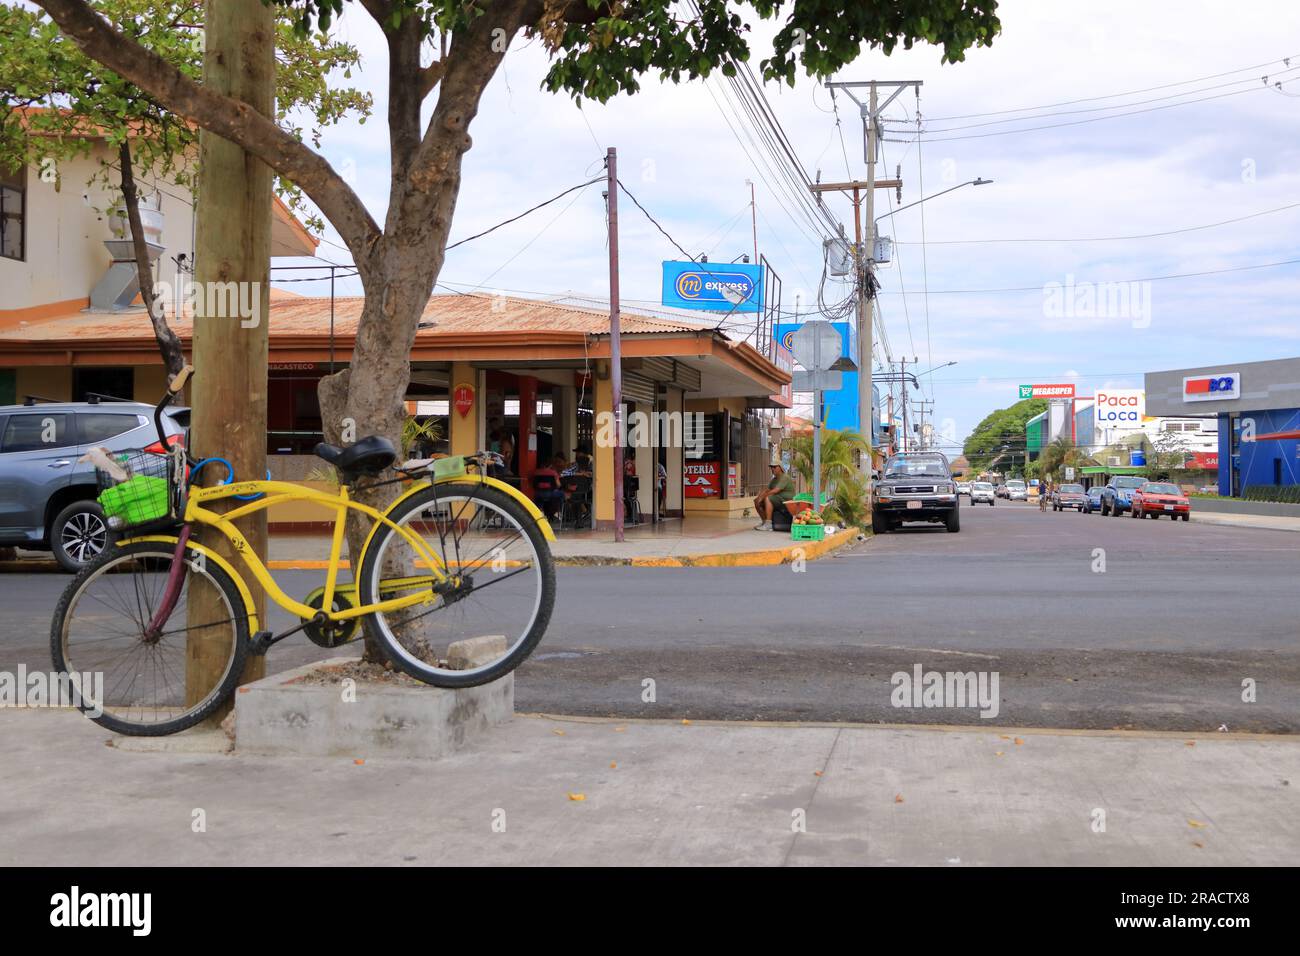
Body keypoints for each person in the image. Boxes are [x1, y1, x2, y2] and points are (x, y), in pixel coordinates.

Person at [754, 462, 794, 531]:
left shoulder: (785, 477)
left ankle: (769, 525)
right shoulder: (774, 480)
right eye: (771, 467)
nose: (772, 469)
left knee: (768, 498)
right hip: (778, 500)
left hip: (786, 501)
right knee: (757, 501)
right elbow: (767, 490)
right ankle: (764, 522)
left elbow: (775, 491)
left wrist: (762, 497)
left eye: (774, 467)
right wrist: (759, 498)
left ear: (780, 468)